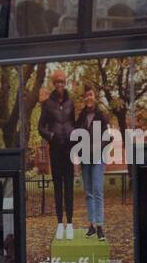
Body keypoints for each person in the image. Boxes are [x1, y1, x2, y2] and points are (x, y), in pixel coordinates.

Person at [38, 70, 77, 239]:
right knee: (57, 187)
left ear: (65, 82)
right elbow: (40, 127)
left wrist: (73, 135)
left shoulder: (71, 103)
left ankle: (70, 223)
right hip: (55, 150)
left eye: (62, 81)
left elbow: (74, 123)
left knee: (69, 187)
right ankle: (60, 223)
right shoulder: (48, 104)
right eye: (57, 82)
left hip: (68, 149)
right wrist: (51, 136)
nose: (60, 84)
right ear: (54, 84)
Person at [75, 85, 113, 240]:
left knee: (97, 192)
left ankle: (100, 227)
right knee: (88, 193)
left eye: (90, 95)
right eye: (86, 95)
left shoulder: (101, 115)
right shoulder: (82, 116)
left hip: (97, 158)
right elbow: (77, 137)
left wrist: (98, 149)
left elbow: (109, 137)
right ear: (84, 98)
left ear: (94, 97)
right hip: (85, 159)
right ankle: (91, 225)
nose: (88, 97)